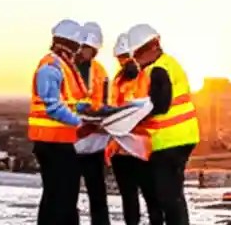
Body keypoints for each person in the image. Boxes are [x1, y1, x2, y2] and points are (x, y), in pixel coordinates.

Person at [125, 23, 201, 225]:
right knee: (172, 195)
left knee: (168, 196)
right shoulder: (168, 63)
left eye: (137, 54)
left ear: (150, 48)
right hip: (179, 138)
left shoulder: (158, 69)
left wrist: (131, 115)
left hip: (170, 141)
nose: (136, 60)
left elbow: (160, 104)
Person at [30, 18, 97, 225]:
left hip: (60, 142)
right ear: (70, 44)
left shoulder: (62, 66)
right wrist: (80, 123)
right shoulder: (50, 68)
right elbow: (53, 107)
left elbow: (66, 101)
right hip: (51, 143)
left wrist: (86, 110)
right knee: (61, 197)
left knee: (60, 196)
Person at [107, 32, 159, 225]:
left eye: (125, 58)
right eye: (120, 59)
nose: (122, 63)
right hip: (122, 148)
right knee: (129, 198)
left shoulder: (146, 75)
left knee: (151, 196)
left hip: (142, 147)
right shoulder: (118, 80)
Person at [75, 22, 110, 225]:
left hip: (95, 141)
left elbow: (105, 101)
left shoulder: (99, 71)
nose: (87, 53)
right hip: (72, 140)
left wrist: (102, 115)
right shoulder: (66, 69)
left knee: (98, 194)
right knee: (68, 194)